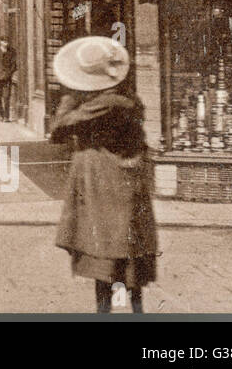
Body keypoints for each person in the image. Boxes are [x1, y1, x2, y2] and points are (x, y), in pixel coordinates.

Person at [49, 35, 157, 314]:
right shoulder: (125, 99)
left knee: (106, 255)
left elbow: (58, 129)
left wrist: (70, 95)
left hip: (104, 184)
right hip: (123, 184)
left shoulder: (106, 103)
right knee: (128, 255)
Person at [0, 36, 17, 122]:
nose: (6, 43)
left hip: (7, 77)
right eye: (4, 41)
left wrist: (9, 74)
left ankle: (6, 116)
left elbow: (14, 65)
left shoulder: (12, 51)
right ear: (0, 42)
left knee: (6, 97)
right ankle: (1, 114)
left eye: (7, 41)